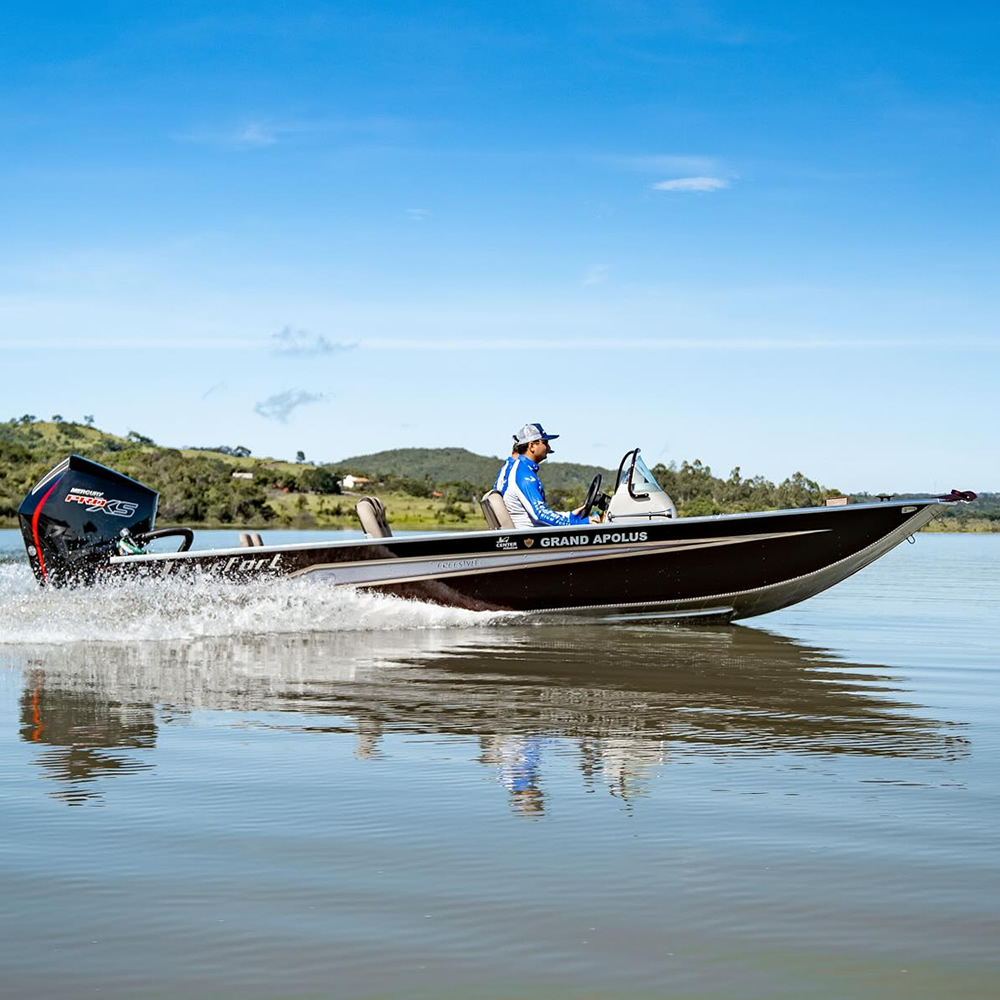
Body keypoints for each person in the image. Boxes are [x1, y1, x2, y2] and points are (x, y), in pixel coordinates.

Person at [502, 423, 590, 528]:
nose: (548, 447)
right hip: (531, 537)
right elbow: (541, 514)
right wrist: (579, 523)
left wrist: (570, 516)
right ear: (532, 446)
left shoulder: (521, 469)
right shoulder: (524, 475)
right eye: (545, 442)